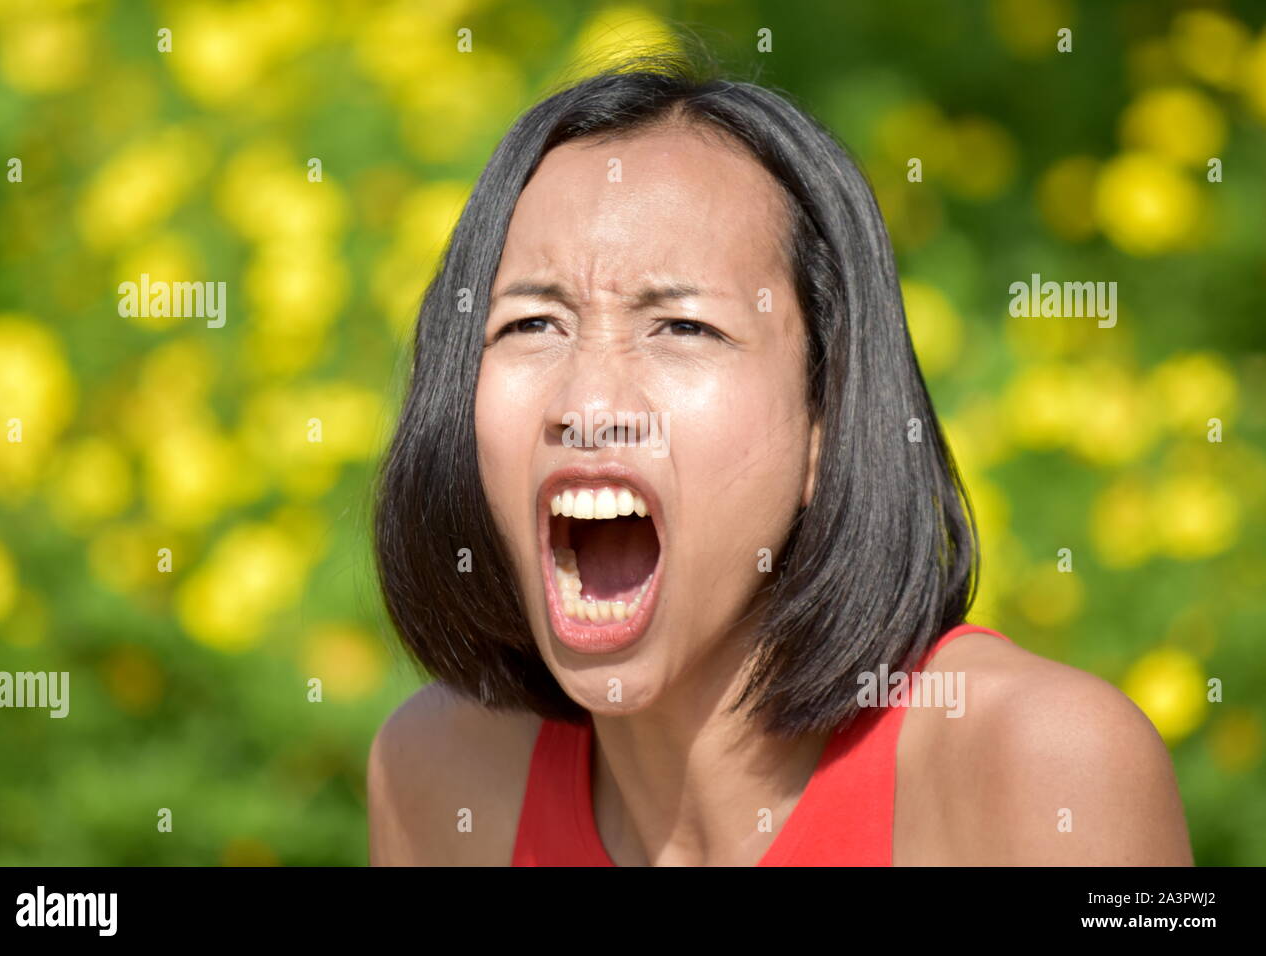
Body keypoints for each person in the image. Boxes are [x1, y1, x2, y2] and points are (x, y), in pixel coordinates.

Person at [367, 56, 1193, 866]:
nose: (587, 408)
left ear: (826, 420)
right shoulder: (440, 778)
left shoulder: (1046, 765)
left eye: (684, 327)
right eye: (532, 324)